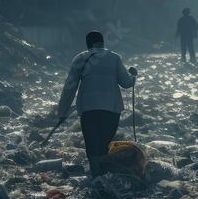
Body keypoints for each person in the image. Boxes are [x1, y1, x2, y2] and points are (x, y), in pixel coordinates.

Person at [57, 30, 138, 177]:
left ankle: (95, 177)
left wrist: (62, 111)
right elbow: (126, 83)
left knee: (92, 143)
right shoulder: (114, 58)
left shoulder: (80, 59)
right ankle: (105, 175)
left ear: (88, 44)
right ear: (103, 42)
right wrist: (133, 75)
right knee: (104, 145)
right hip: (111, 109)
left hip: (88, 109)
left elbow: (70, 88)